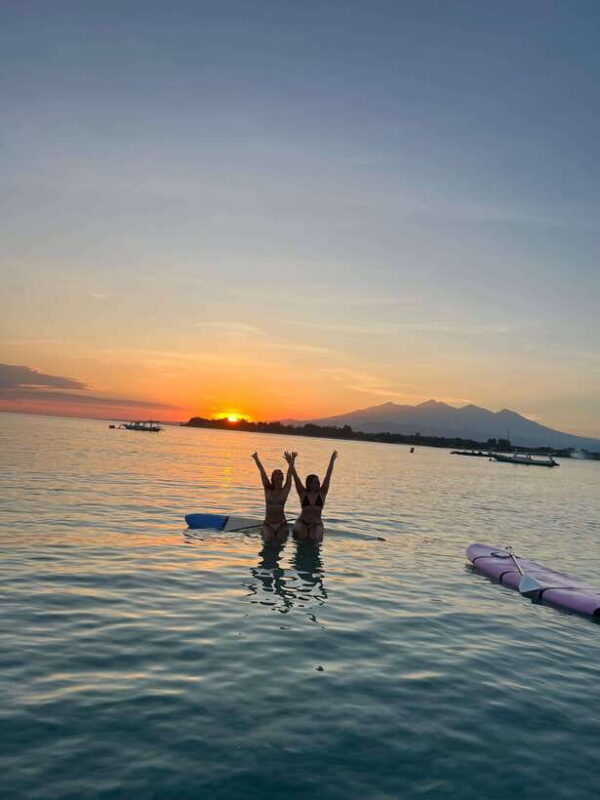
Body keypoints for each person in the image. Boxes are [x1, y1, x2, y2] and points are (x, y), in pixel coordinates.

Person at [286, 450, 337, 541]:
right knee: (301, 538)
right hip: (302, 522)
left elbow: (328, 475)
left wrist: (332, 460)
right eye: (315, 482)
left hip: (316, 524)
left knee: (315, 539)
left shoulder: (322, 493)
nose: (318, 484)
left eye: (318, 482)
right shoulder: (302, 493)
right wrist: (291, 461)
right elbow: (295, 476)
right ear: (309, 484)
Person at [251, 451, 296, 540]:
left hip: (281, 524)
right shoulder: (268, 489)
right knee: (268, 540)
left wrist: (292, 460)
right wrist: (256, 458)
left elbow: (290, 473)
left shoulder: (285, 490)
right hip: (268, 523)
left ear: (282, 478)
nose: (279, 475)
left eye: (280, 474)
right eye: (276, 474)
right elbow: (262, 471)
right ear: (273, 478)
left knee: (280, 541)